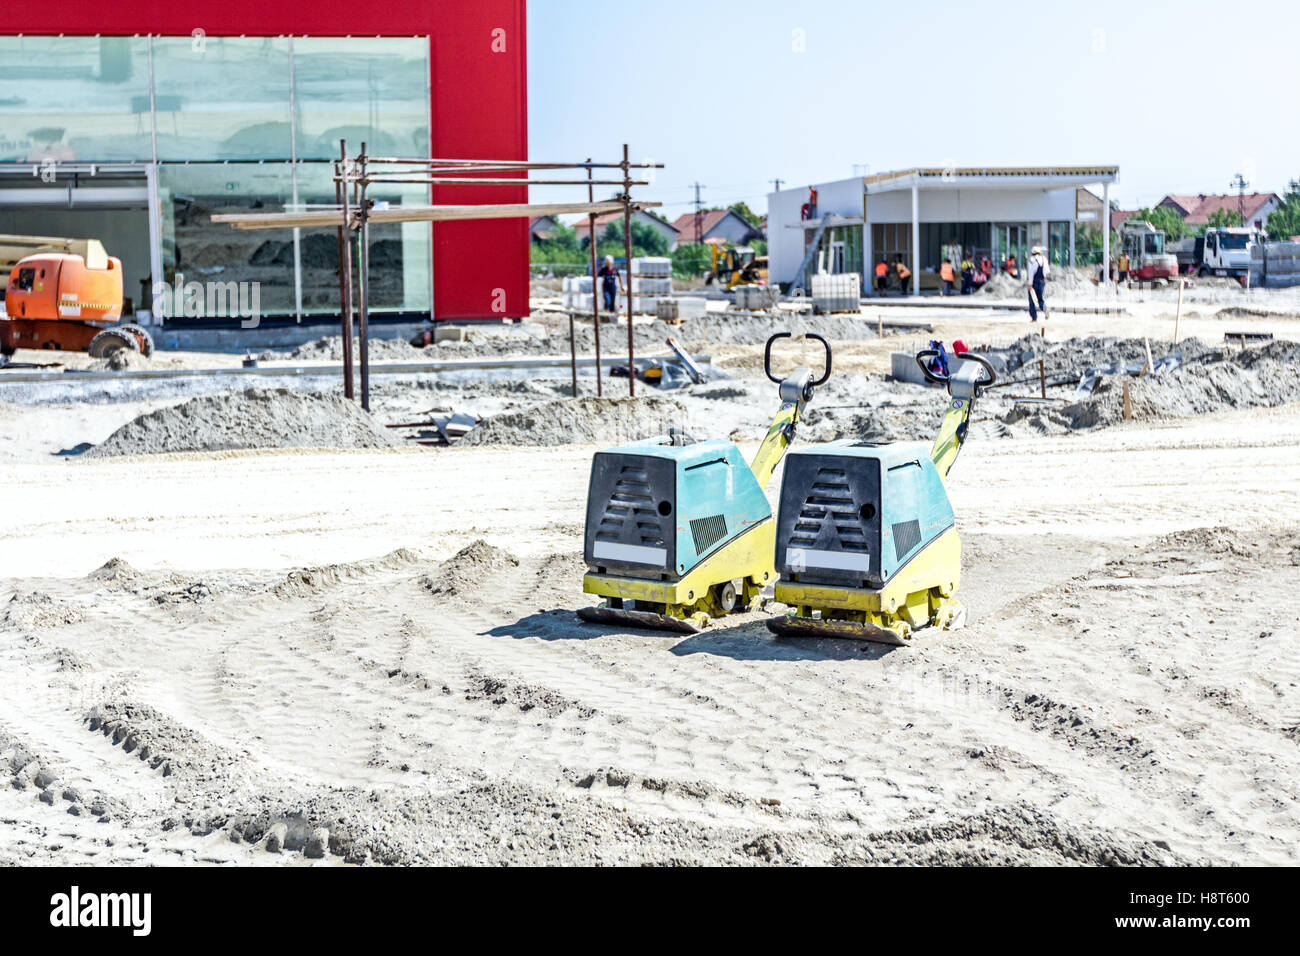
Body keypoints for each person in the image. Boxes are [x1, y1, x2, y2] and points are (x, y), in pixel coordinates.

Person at [1026, 244, 1048, 322]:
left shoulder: (1031, 260)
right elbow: (1046, 272)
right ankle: (1045, 309)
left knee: (1032, 300)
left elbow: (1031, 273)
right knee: (1040, 299)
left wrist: (1030, 284)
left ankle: (1034, 318)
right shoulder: (1044, 259)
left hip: (1034, 282)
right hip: (1042, 281)